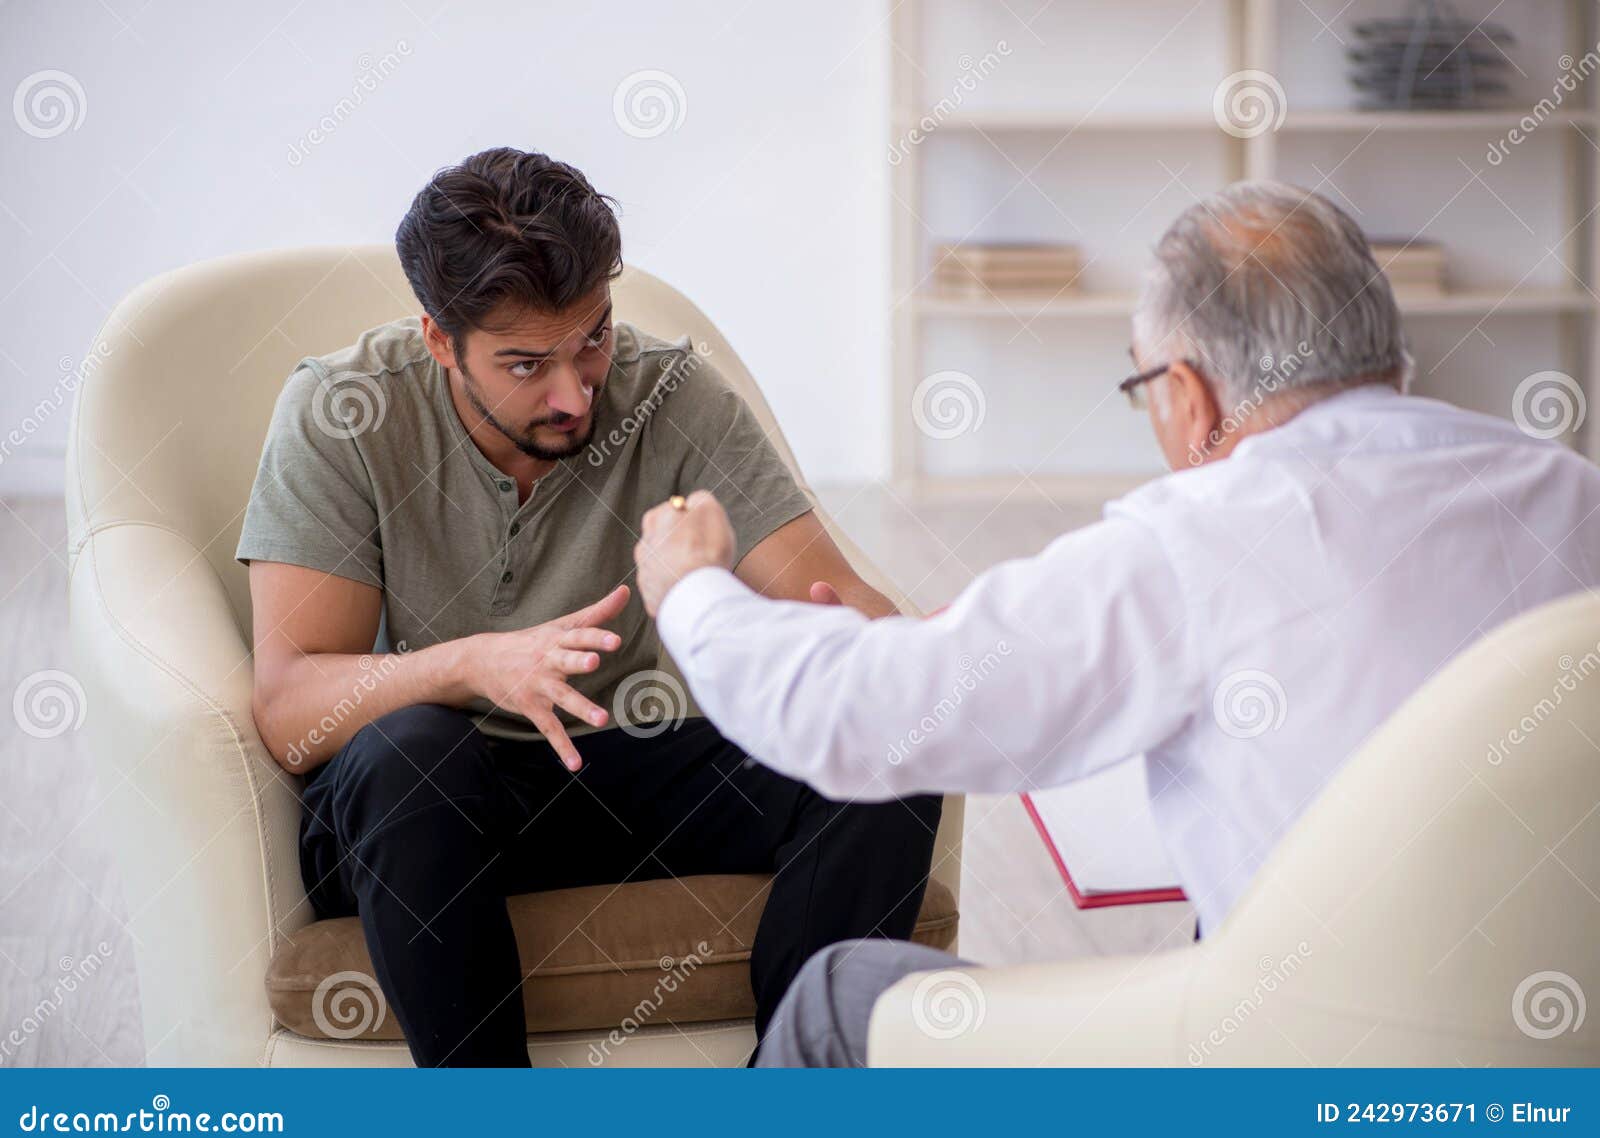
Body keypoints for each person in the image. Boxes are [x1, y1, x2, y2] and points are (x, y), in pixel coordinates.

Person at [632, 180, 1600, 1067]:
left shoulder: (1194, 544)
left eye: (1142, 388)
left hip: (1318, 1069)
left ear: (1189, 394)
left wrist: (692, 590)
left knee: (840, 1000)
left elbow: (858, 717)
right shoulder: (1570, 492)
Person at [236, 147, 941, 1066]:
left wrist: (908, 660)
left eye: (593, 339)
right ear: (439, 339)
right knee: (414, 748)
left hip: (619, 764)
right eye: (526, 363)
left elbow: (838, 599)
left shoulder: (672, 394)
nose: (574, 393)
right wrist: (468, 663)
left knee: (887, 735)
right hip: (432, 810)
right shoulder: (345, 409)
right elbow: (292, 709)